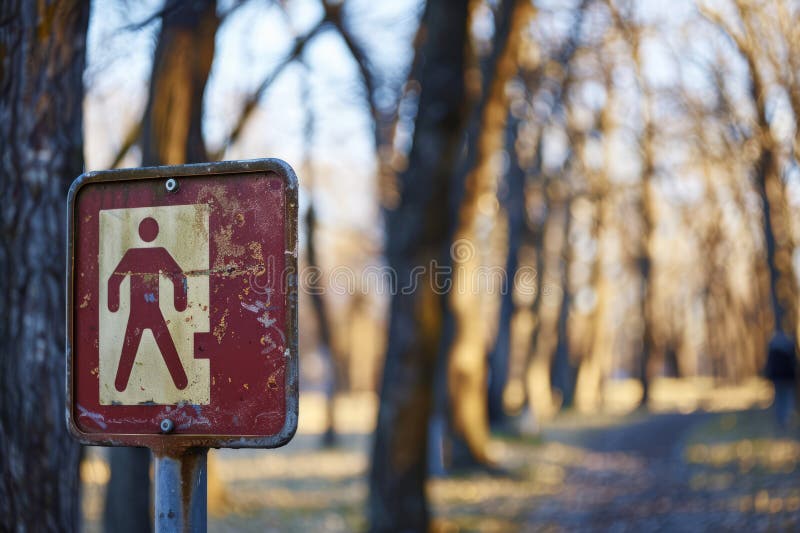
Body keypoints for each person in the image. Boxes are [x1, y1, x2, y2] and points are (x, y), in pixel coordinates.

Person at [108, 216, 189, 391]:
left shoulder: (136, 255)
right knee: (144, 345)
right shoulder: (153, 253)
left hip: (144, 310)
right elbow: (179, 278)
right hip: (146, 310)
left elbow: (113, 281)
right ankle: (181, 383)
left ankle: (119, 386)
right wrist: (179, 302)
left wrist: (113, 303)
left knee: (142, 345)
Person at [764, 332, 797, 429]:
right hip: (787, 377)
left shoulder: (773, 345)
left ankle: (780, 419)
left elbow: (769, 362)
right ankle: (784, 419)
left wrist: (769, 375)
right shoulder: (790, 344)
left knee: (779, 398)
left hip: (778, 377)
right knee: (786, 399)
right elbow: (793, 362)